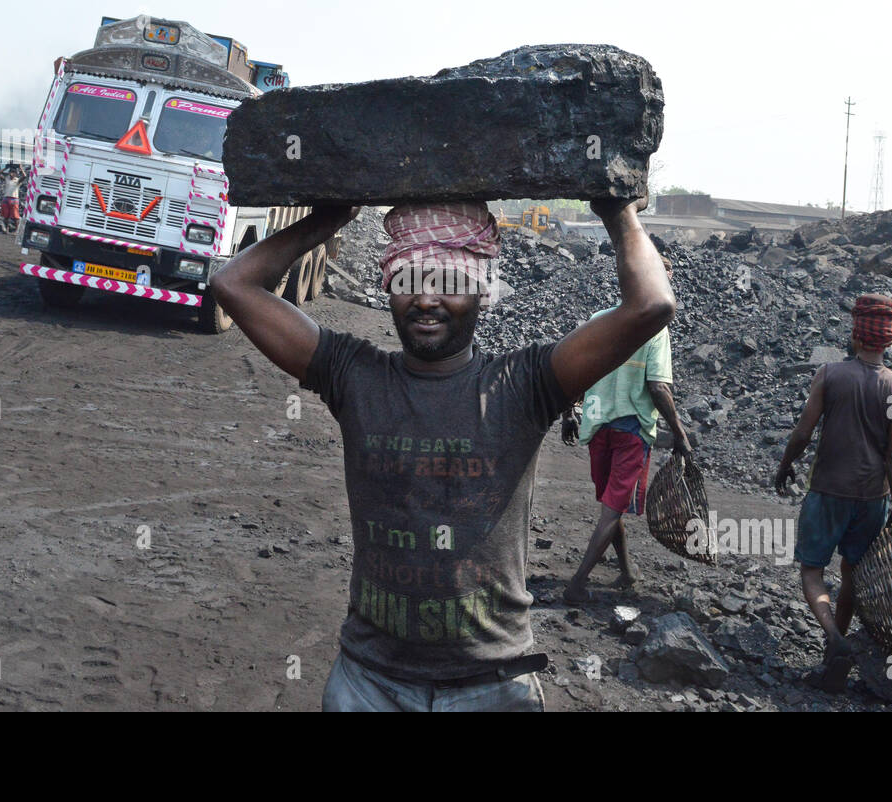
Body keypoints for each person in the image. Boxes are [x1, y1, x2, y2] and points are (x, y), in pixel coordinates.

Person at [209, 196, 674, 712]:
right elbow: (233, 284)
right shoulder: (354, 376)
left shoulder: (524, 385)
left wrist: (617, 213)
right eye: (409, 280)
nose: (426, 299)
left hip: (492, 685)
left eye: (449, 283)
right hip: (369, 683)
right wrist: (328, 219)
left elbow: (650, 306)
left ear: (479, 291)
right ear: (390, 288)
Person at [771, 294, 892, 692]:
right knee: (852, 571)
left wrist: (785, 465)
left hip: (828, 490)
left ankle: (834, 638)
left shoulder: (830, 375)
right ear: (889, 340)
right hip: (872, 497)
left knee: (812, 570)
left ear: (856, 335)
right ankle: (835, 651)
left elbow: (803, 432)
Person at [560, 255, 691, 603]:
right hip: (631, 429)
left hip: (597, 423)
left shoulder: (599, 320)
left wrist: (568, 413)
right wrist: (679, 434)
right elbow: (659, 387)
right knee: (611, 509)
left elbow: (574, 368)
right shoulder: (654, 329)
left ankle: (626, 570)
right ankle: (577, 583)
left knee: (609, 505)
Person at [0, 164, 26, 233]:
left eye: (13, 173)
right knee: (6, 216)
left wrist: (21, 168)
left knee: (15, 216)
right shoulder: (7, 179)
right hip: (6, 199)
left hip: (14, 199)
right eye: (10, 172)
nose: (11, 174)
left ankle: (17, 231)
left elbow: (24, 176)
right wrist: (5, 168)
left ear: (15, 174)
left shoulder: (17, 180)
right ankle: (6, 229)